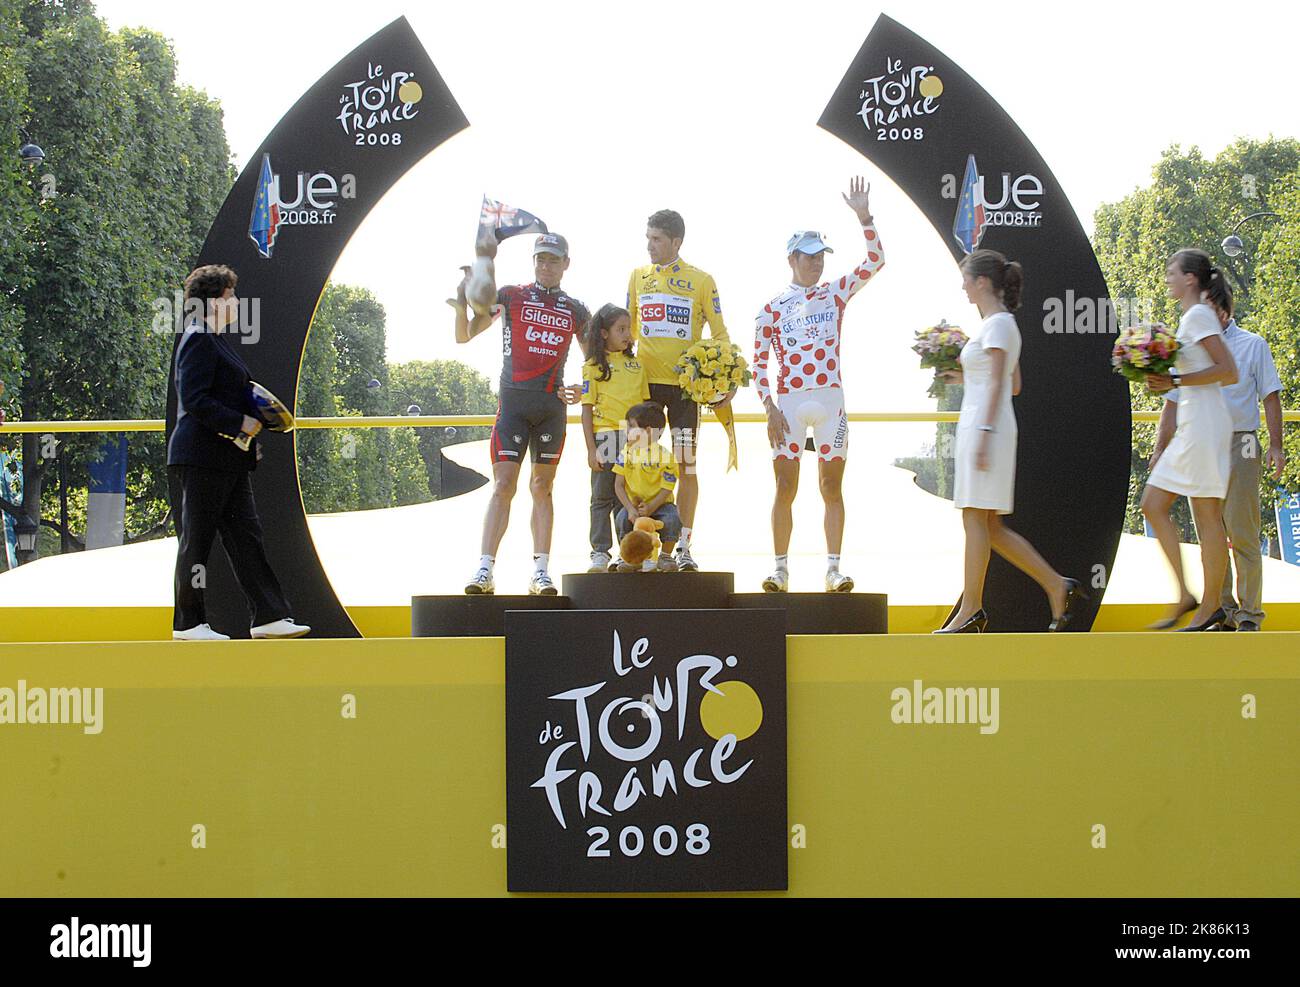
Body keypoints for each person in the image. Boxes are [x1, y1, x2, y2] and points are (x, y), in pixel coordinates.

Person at [935, 249, 1086, 633]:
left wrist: (984, 434)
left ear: (982, 282)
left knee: (975, 519)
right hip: (986, 426)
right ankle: (1056, 585)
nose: (964, 287)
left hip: (987, 430)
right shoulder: (996, 325)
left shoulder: (998, 324)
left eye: (967, 279)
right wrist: (966, 378)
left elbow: (1004, 383)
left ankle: (971, 609)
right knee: (991, 526)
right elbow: (1013, 384)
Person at [754, 177, 883, 593]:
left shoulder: (836, 293)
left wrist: (864, 218)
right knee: (785, 487)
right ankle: (779, 569)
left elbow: (875, 261)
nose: (817, 264)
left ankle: (833, 569)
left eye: (821, 257)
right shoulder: (771, 308)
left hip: (831, 401)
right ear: (791, 258)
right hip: (789, 404)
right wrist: (768, 406)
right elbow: (757, 364)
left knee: (831, 486)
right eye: (809, 257)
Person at [168, 264, 310, 640]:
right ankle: (187, 624)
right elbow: (195, 400)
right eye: (231, 296)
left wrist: (247, 438)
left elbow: (225, 396)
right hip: (201, 457)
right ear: (214, 300)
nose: (236, 303)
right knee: (196, 541)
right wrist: (240, 425)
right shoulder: (198, 337)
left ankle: (268, 616)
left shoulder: (212, 339)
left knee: (246, 537)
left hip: (226, 458)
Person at [451, 232, 589, 595]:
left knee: (542, 487)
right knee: (503, 486)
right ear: (533, 262)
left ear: (566, 264)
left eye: (553, 260)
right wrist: (462, 303)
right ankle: (484, 570)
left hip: (551, 410)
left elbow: (601, 363)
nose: (546, 266)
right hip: (512, 405)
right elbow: (465, 336)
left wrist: (583, 389)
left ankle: (541, 572)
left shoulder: (575, 309)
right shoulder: (512, 295)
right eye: (540, 259)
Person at [1151, 277, 1281, 630]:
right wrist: (1161, 446)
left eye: (1208, 307)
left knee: (1242, 530)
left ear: (1224, 310)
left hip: (1240, 442)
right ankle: (1219, 610)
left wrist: (1276, 445)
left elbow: (1271, 395)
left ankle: (1250, 613)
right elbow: (1172, 402)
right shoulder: (1191, 347)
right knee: (1209, 529)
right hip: (1200, 444)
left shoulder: (1253, 345)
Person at [627, 208, 733, 572]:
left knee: (686, 467)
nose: (649, 246)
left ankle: (683, 546)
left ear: (676, 242)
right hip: (648, 391)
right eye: (648, 237)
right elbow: (628, 333)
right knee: (638, 465)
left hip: (687, 391)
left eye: (656, 239)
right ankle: (639, 550)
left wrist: (726, 381)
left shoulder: (701, 280)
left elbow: (720, 337)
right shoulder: (638, 277)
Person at [1142, 249, 1239, 631]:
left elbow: (1228, 371)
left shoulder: (1198, 314)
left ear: (1190, 279)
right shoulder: (1191, 317)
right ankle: (1187, 594)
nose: (1167, 276)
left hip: (1205, 424)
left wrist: (1176, 381)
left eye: (1172, 271)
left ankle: (1210, 607)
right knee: (1153, 503)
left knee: (1206, 516)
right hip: (1194, 424)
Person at [581, 303, 649, 572]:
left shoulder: (637, 365)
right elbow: (586, 410)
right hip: (605, 437)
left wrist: (645, 441)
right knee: (601, 497)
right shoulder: (593, 366)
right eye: (620, 329)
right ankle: (599, 552)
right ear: (604, 333)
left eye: (629, 329)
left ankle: (627, 551)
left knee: (629, 497)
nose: (626, 334)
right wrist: (590, 449)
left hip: (634, 441)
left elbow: (645, 406)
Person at [613, 402, 682, 572]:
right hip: (634, 506)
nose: (626, 430)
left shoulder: (666, 456)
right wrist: (630, 508)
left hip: (661, 505)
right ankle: (629, 557)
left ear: (649, 431)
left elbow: (667, 487)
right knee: (621, 519)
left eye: (631, 426)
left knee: (673, 518)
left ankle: (665, 556)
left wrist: (651, 506)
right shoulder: (626, 453)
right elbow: (618, 485)